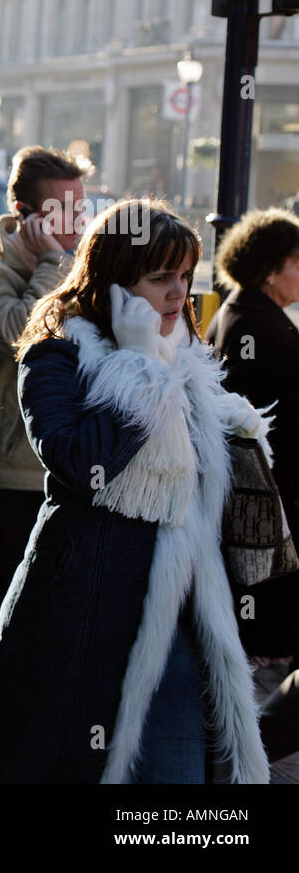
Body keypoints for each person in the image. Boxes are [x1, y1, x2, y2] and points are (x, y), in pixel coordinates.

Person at [0, 199, 272, 784]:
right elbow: (79, 461)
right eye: (159, 278)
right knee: (62, 762)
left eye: (185, 276)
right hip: (86, 600)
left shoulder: (184, 356)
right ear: (114, 281)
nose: (179, 295)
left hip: (182, 611)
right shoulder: (59, 352)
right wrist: (137, 367)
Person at [0, 145, 86, 698]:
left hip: (63, 481)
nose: (78, 223)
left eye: (83, 208)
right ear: (28, 215)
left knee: (47, 643)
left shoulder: (79, 272)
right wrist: (55, 267)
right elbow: (18, 336)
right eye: (64, 212)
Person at [205, 208, 299, 763]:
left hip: (257, 515)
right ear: (271, 270)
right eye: (296, 264)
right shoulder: (264, 329)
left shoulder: (240, 315)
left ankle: (244, 750)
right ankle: (245, 754)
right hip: (272, 517)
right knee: (259, 654)